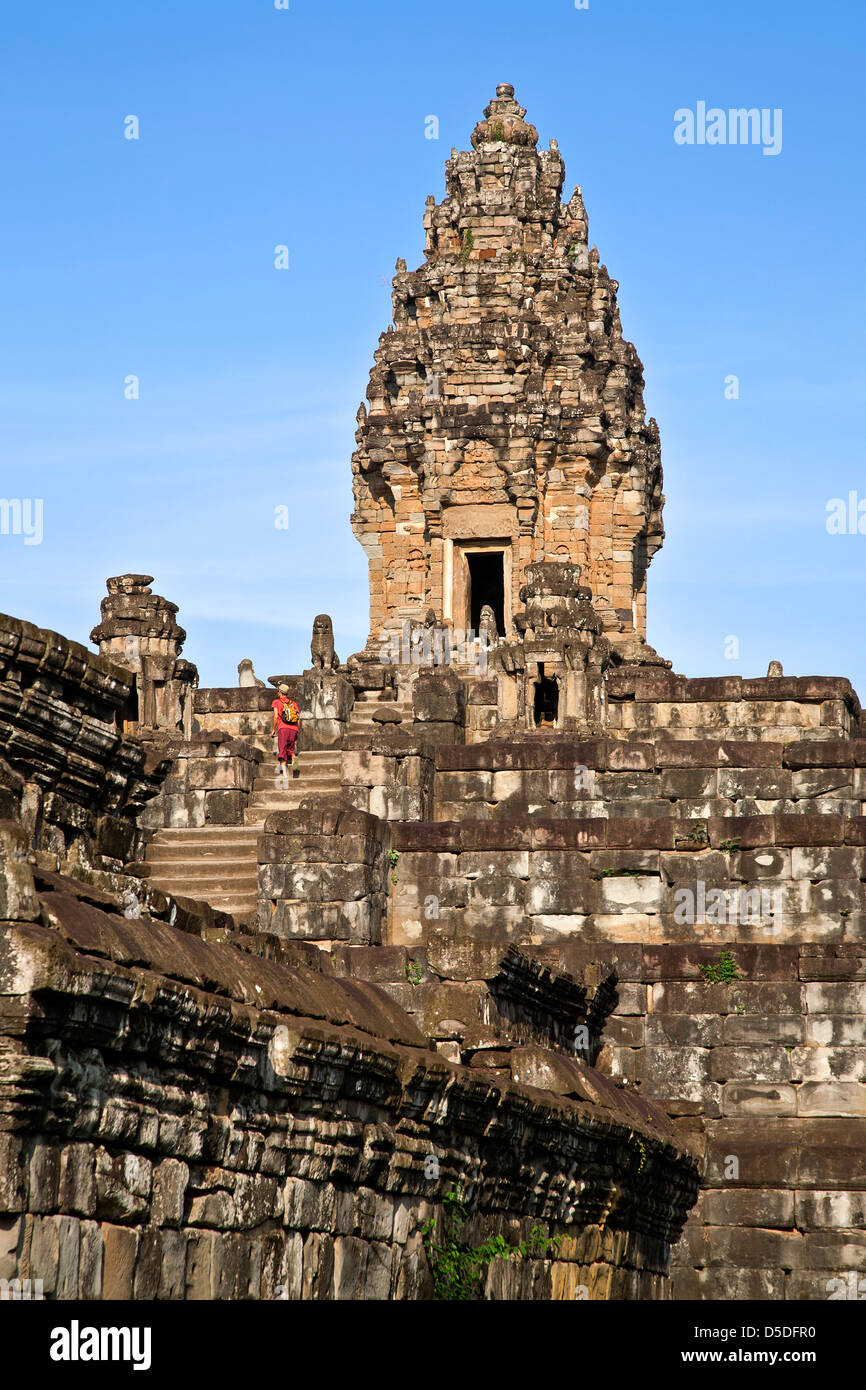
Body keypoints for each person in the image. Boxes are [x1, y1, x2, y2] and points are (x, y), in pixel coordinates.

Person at [271, 683, 300, 774]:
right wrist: (297, 730)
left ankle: (284, 774)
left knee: (282, 750)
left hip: (283, 728)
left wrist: (273, 730)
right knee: (291, 749)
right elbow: (298, 718)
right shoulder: (293, 703)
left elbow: (276, 716)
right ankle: (295, 765)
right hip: (294, 729)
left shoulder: (276, 702)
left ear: (280, 692)